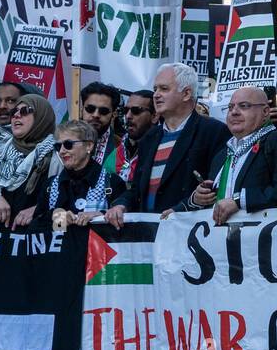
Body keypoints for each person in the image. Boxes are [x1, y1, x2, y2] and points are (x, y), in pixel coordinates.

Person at [105, 63, 229, 228]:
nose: (156, 95)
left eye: (164, 89)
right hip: (149, 234)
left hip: (189, 232)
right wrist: (121, 204)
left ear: (186, 94)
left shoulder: (214, 131)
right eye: (155, 89)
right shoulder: (150, 137)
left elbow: (213, 187)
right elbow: (137, 189)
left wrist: (182, 208)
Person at [175, 85, 277, 223]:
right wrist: (195, 200)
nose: (234, 112)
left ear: (265, 112)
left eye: (244, 106)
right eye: (230, 107)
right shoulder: (222, 155)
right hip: (219, 240)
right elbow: (217, 203)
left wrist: (239, 200)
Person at [0, 95, 61, 230]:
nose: (16, 115)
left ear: (42, 117)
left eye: (24, 111)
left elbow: (65, 215)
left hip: (37, 246)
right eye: (14, 112)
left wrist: (39, 210)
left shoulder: (58, 157)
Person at [36, 120, 127, 229]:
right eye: (58, 146)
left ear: (89, 146)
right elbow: (35, 227)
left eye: (68, 144)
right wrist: (55, 217)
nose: (61, 151)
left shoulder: (112, 182)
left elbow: (124, 227)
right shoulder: (50, 185)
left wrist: (100, 216)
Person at [79, 81, 123, 174]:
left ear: (113, 114)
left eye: (103, 111)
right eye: (90, 109)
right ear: (82, 109)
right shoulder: (63, 142)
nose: (96, 115)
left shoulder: (122, 147)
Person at [119, 89, 156, 181]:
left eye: (136, 111)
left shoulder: (162, 150)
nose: (128, 116)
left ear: (155, 116)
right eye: (126, 110)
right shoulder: (120, 149)